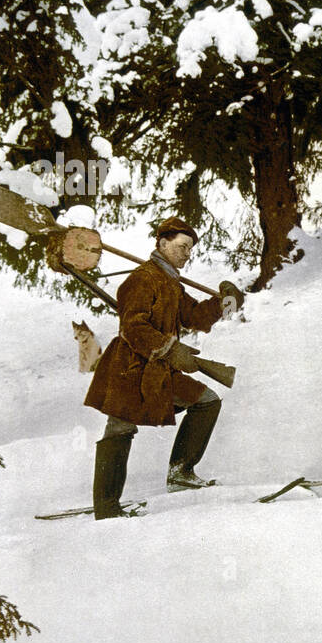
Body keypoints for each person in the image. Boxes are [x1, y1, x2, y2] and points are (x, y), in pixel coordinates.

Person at [84, 217, 243, 518]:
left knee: (207, 401)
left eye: (190, 249)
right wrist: (170, 349)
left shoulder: (171, 283)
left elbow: (194, 315)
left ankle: (181, 472)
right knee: (120, 428)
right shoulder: (143, 279)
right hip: (129, 367)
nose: (187, 254)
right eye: (182, 246)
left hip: (156, 371)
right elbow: (133, 327)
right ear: (162, 243)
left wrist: (221, 304)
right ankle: (106, 509)